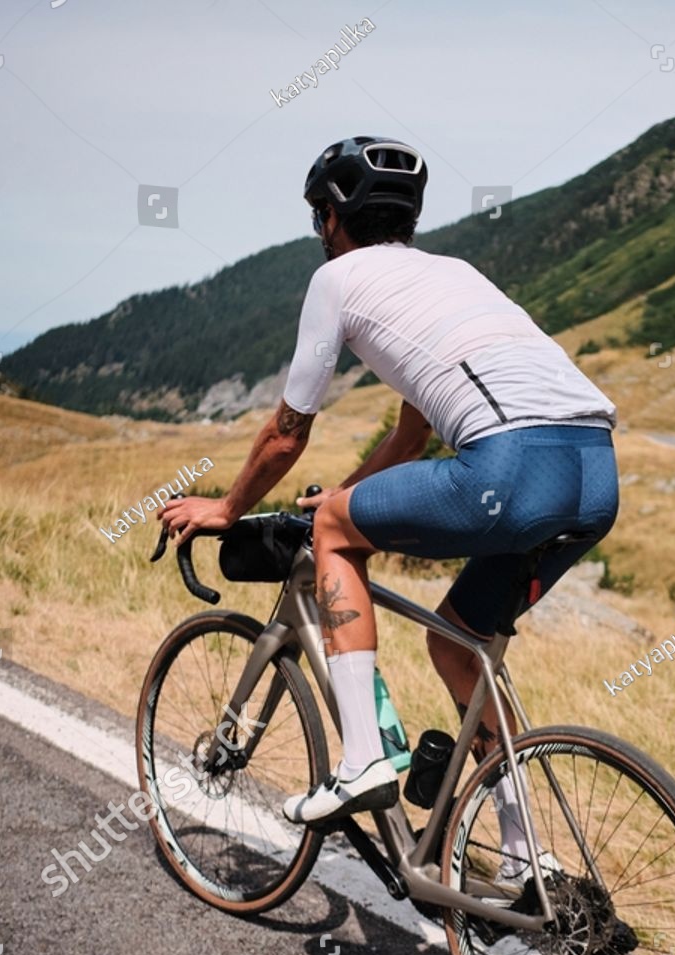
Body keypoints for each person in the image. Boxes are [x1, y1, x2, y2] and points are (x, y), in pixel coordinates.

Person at [159, 135, 619, 885]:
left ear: (333, 218)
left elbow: (284, 434)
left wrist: (229, 505)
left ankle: (363, 758)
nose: (319, 234)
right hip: (594, 473)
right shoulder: (454, 274)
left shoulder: (339, 280)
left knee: (338, 535)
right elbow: (414, 430)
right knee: (458, 643)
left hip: (507, 466)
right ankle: (524, 854)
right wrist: (343, 492)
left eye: (318, 219)